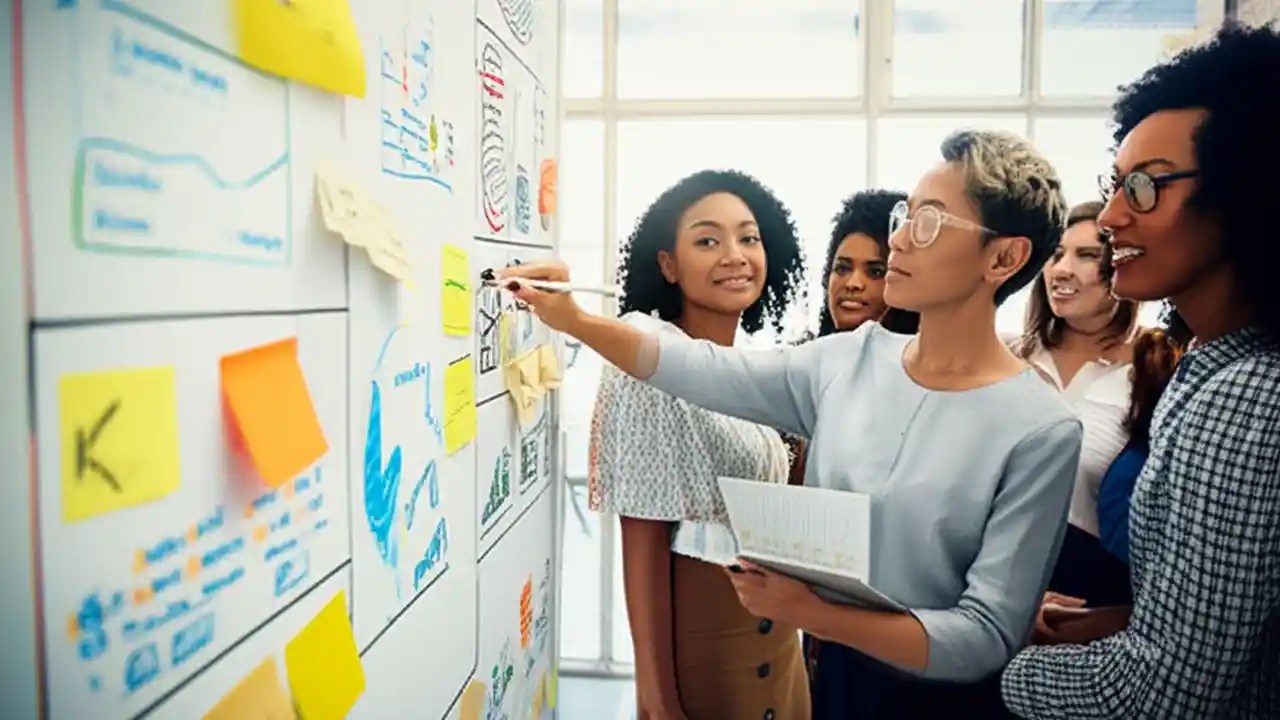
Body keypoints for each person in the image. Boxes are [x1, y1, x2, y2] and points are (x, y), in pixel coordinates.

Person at [503, 129, 1083, 718]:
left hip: (938, 705)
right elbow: (695, 367)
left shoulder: (1040, 428)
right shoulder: (848, 359)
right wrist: (571, 317)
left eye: (929, 222)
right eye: (905, 215)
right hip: (826, 683)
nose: (901, 239)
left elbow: (985, 636)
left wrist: (815, 615)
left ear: (1004, 258)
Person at [1001, 23, 1280, 718]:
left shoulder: (1247, 394)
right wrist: (1119, 623)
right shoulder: (1214, 365)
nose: (1115, 217)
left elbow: (1163, 695)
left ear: (1247, 187)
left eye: (1147, 188)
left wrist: (989, 660)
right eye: (1117, 185)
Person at [586, 169, 810, 719]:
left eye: (749, 237)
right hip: (708, 645)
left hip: (782, 643)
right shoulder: (647, 363)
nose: (734, 255)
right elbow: (642, 538)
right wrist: (657, 702)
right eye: (708, 240)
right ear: (668, 264)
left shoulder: (758, 364)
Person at [1013, 201, 1140, 608]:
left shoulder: (1150, 377)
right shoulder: (1007, 360)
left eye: (1086, 256)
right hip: (989, 580)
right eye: (1056, 255)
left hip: (1088, 598)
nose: (1062, 269)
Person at [787, 189, 918, 486]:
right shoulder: (798, 366)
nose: (853, 283)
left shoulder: (923, 382)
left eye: (875, 271)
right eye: (842, 268)